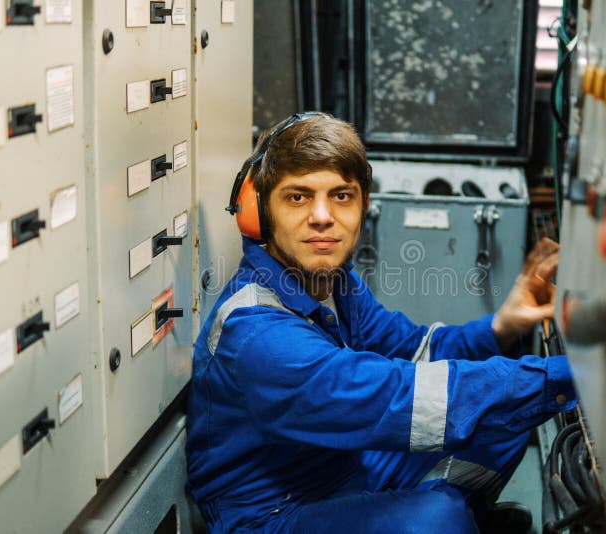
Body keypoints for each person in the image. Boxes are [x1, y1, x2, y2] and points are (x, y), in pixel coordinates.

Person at [186, 112, 576, 533]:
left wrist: (501, 326)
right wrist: (574, 375)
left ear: (363, 206)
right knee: (439, 510)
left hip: (343, 465)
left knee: (503, 421)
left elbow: (415, 350)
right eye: (297, 197)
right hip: (273, 513)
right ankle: (443, 515)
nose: (322, 216)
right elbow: (403, 399)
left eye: (341, 196)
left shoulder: (334, 284)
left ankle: (444, 516)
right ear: (258, 212)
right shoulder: (257, 335)